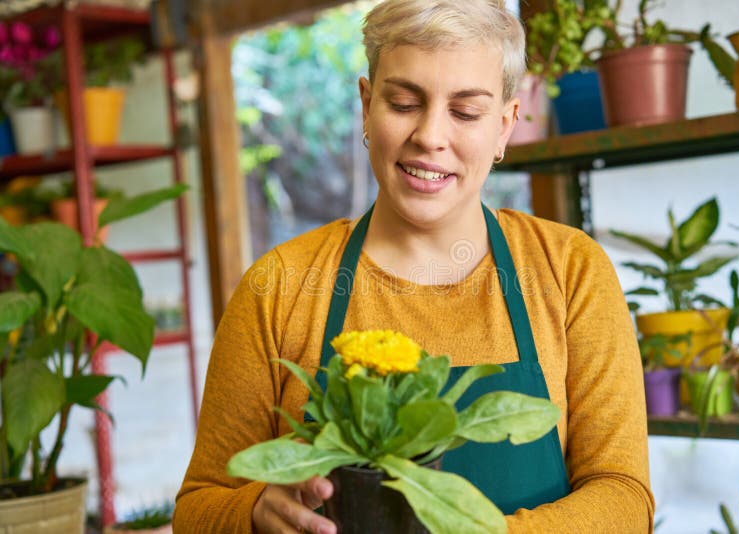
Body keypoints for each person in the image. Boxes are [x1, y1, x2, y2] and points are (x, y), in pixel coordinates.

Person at [174, 1, 655, 532]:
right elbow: (197, 509)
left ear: (504, 126)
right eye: (404, 103)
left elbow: (624, 496)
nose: (429, 135)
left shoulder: (570, 272)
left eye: (466, 112)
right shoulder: (280, 287)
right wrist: (254, 513)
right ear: (366, 104)